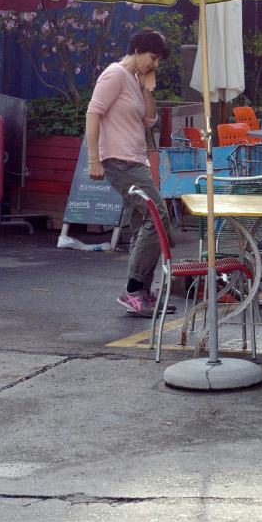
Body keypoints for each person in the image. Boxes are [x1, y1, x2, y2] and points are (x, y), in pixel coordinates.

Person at [85, 28, 170, 317]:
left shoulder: (134, 81)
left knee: (143, 224)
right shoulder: (115, 74)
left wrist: (147, 87)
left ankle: (141, 293)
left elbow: (150, 119)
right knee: (158, 218)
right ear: (137, 50)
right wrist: (93, 159)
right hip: (120, 162)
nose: (154, 64)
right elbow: (93, 113)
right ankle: (134, 290)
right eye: (153, 58)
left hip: (136, 160)